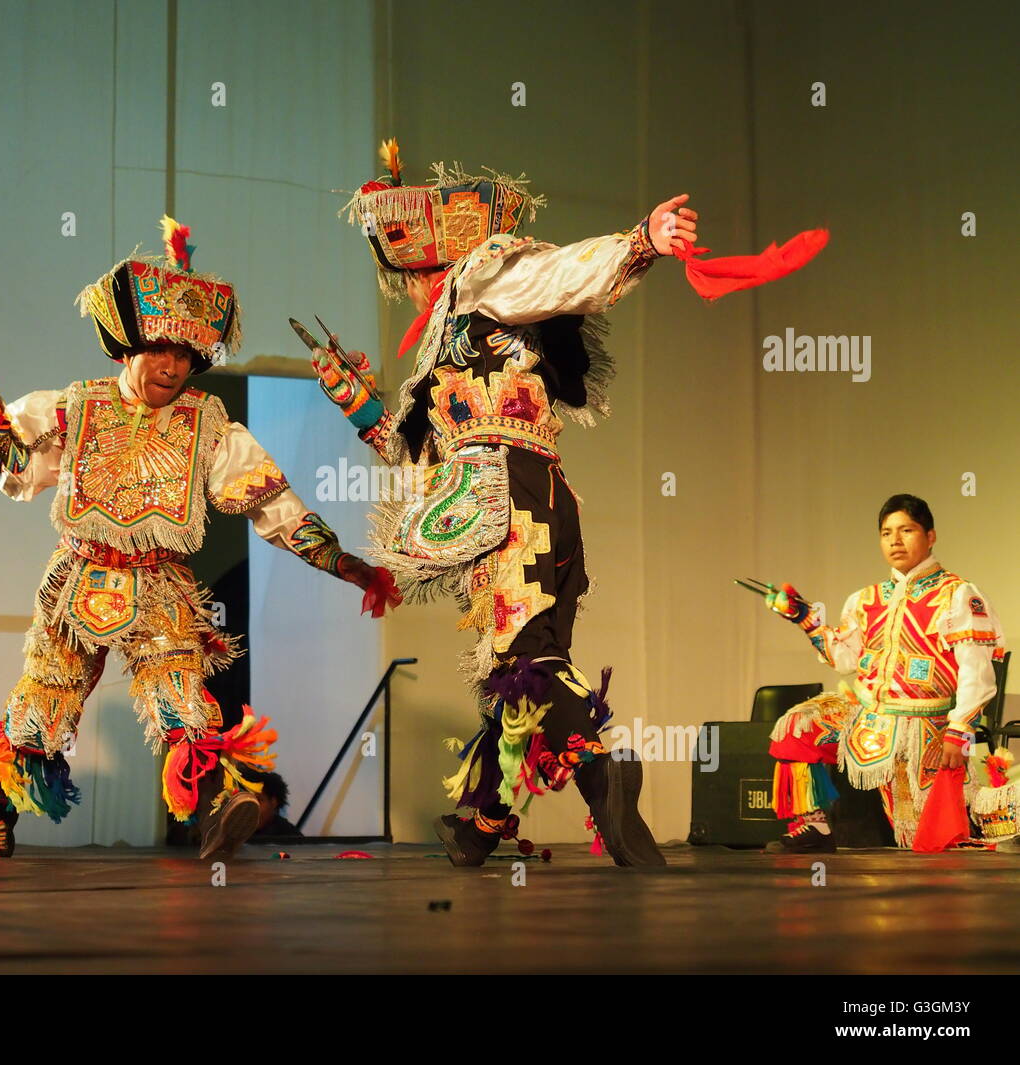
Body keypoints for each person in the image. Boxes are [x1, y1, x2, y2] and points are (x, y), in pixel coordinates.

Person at [0, 217, 397, 861]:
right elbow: (19, 472)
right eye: (160, 350)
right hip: (76, 579)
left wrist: (340, 560)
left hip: (162, 586)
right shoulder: (73, 408)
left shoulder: (209, 424)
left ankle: (219, 812)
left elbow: (269, 500)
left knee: (187, 709)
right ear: (126, 348)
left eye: (186, 355)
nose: (173, 365)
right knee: (40, 712)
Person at [310, 141, 700, 866]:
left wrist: (637, 242)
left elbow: (553, 274)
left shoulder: (485, 272)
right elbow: (422, 449)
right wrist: (358, 404)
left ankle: (601, 771)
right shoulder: (454, 331)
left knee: (525, 657)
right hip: (533, 495)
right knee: (522, 662)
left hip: (507, 497)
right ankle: (481, 820)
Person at [761, 493, 1007, 851]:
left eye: (906, 530)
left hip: (924, 723)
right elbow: (845, 661)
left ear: (930, 536)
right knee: (797, 726)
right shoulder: (866, 598)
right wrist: (805, 620)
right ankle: (816, 827)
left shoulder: (957, 594)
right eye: (887, 532)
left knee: (925, 842)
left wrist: (959, 730)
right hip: (868, 716)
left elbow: (977, 672)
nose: (895, 540)